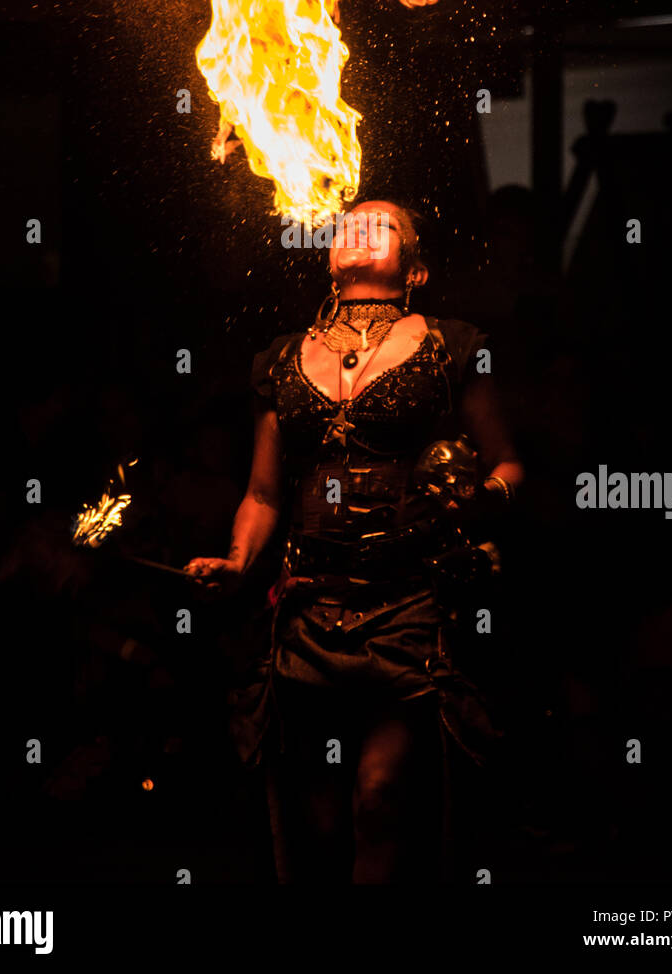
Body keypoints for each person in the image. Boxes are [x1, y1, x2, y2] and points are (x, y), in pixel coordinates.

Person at [184, 200, 524, 883]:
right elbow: (263, 493)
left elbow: (509, 463)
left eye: (385, 223)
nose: (360, 227)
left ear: (417, 268)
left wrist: (480, 498)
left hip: (409, 606)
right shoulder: (280, 358)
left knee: (379, 798)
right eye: (349, 222)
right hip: (309, 610)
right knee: (320, 822)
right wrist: (238, 559)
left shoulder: (451, 344)